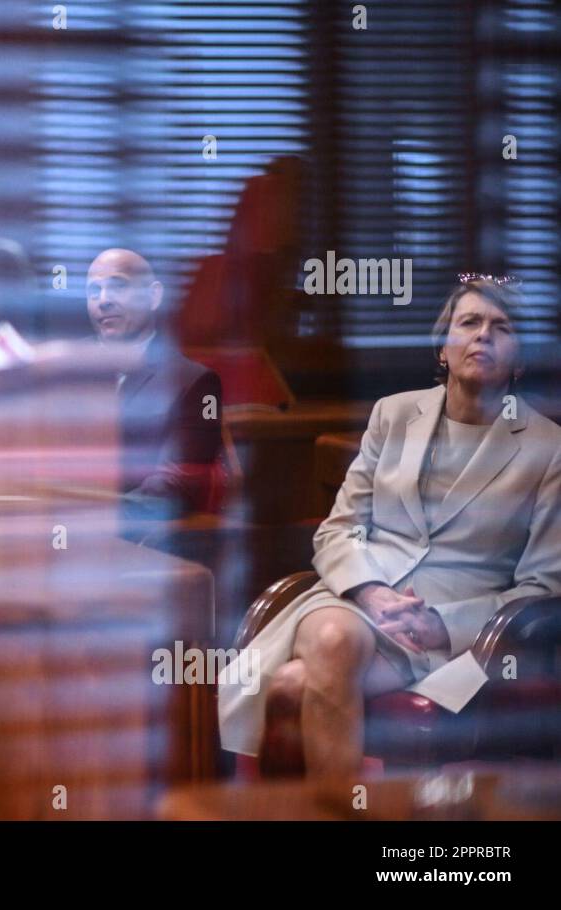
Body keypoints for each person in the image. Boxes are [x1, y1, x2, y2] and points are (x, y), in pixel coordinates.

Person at [218, 277, 561, 779]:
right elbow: (338, 530)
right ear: (443, 348)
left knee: (293, 686)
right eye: (469, 322)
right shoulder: (393, 415)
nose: (483, 335)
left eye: (501, 328)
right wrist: (372, 592)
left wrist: (441, 623)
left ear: (521, 359)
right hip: (356, 599)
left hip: (448, 636)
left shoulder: (548, 449)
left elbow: (543, 588)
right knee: (333, 640)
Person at [85, 248, 223, 527]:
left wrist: (89, 522)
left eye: (118, 286)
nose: (103, 300)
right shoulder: (68, 371)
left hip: (134, 540)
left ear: (154, 296)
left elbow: (170, 489)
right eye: (94, 291)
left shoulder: (195, 383)